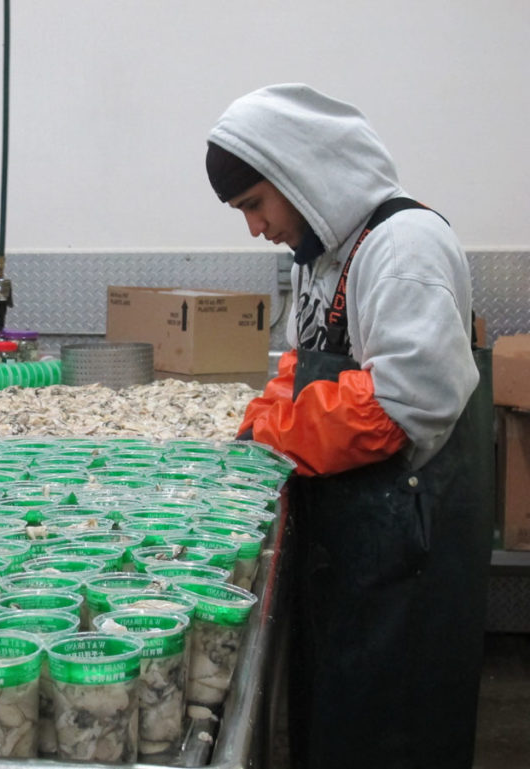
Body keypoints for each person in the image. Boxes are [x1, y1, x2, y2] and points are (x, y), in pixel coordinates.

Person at [205, 84, 494, 769]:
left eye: (255, 204)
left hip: (409, 548)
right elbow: (304, 366)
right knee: (339, 718)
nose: (255, 227)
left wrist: (279, 441)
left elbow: (405, 400)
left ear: (301, 174)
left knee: (394, 727)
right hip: (358, 539)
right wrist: (253, 433)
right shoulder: (326, 255)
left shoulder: (402, 248)